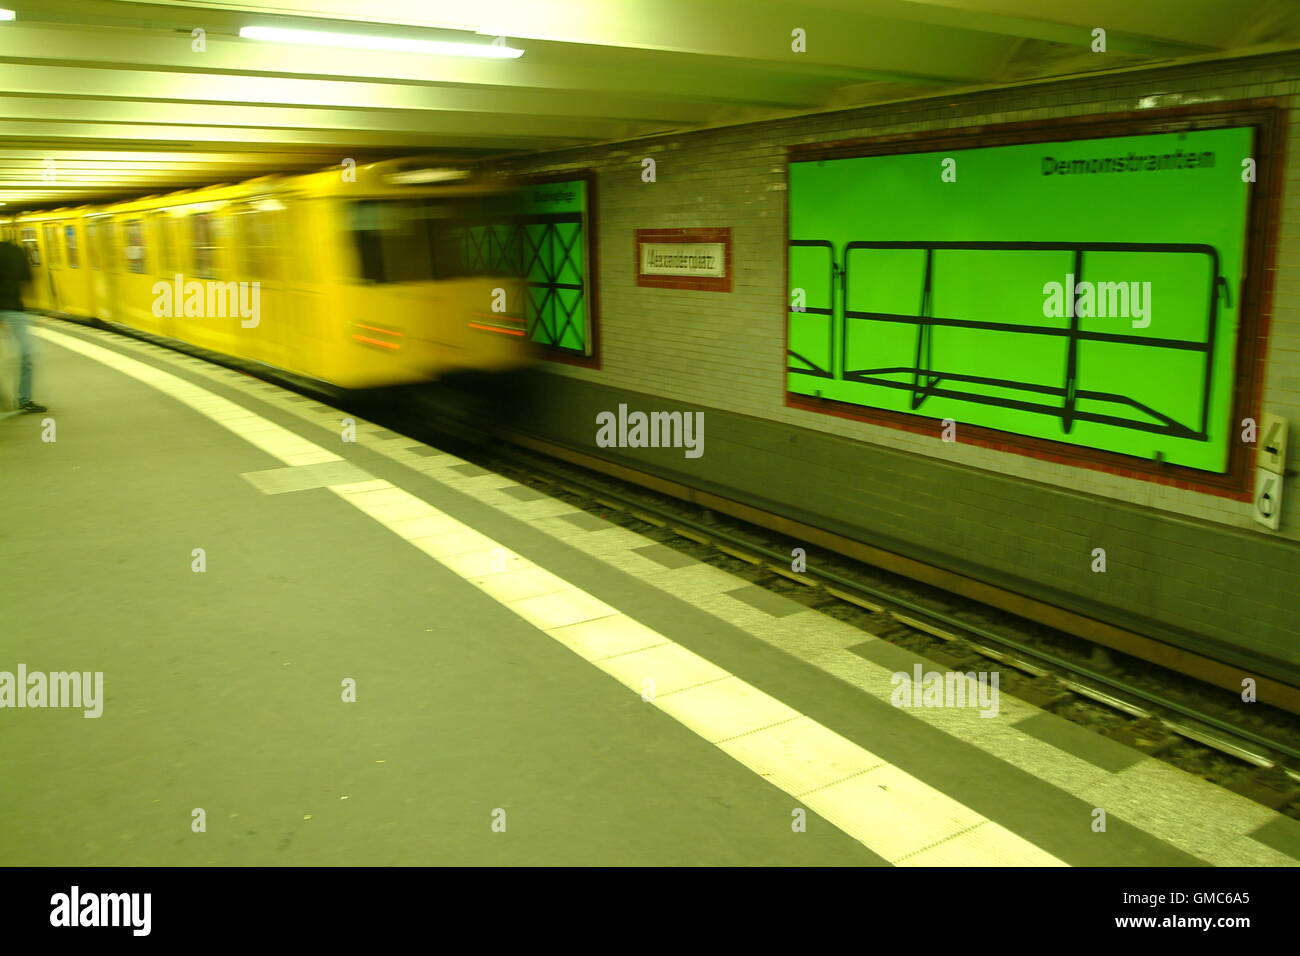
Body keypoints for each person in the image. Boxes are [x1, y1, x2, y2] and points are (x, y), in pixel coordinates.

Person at [0, 238, 46, 413]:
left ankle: (24, 400)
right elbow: (28, 278)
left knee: (27, 353)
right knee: (27, 354)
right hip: (14, 309)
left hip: (14, 309)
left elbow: (26, 276)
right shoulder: (16, 251)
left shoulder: (14, 251)